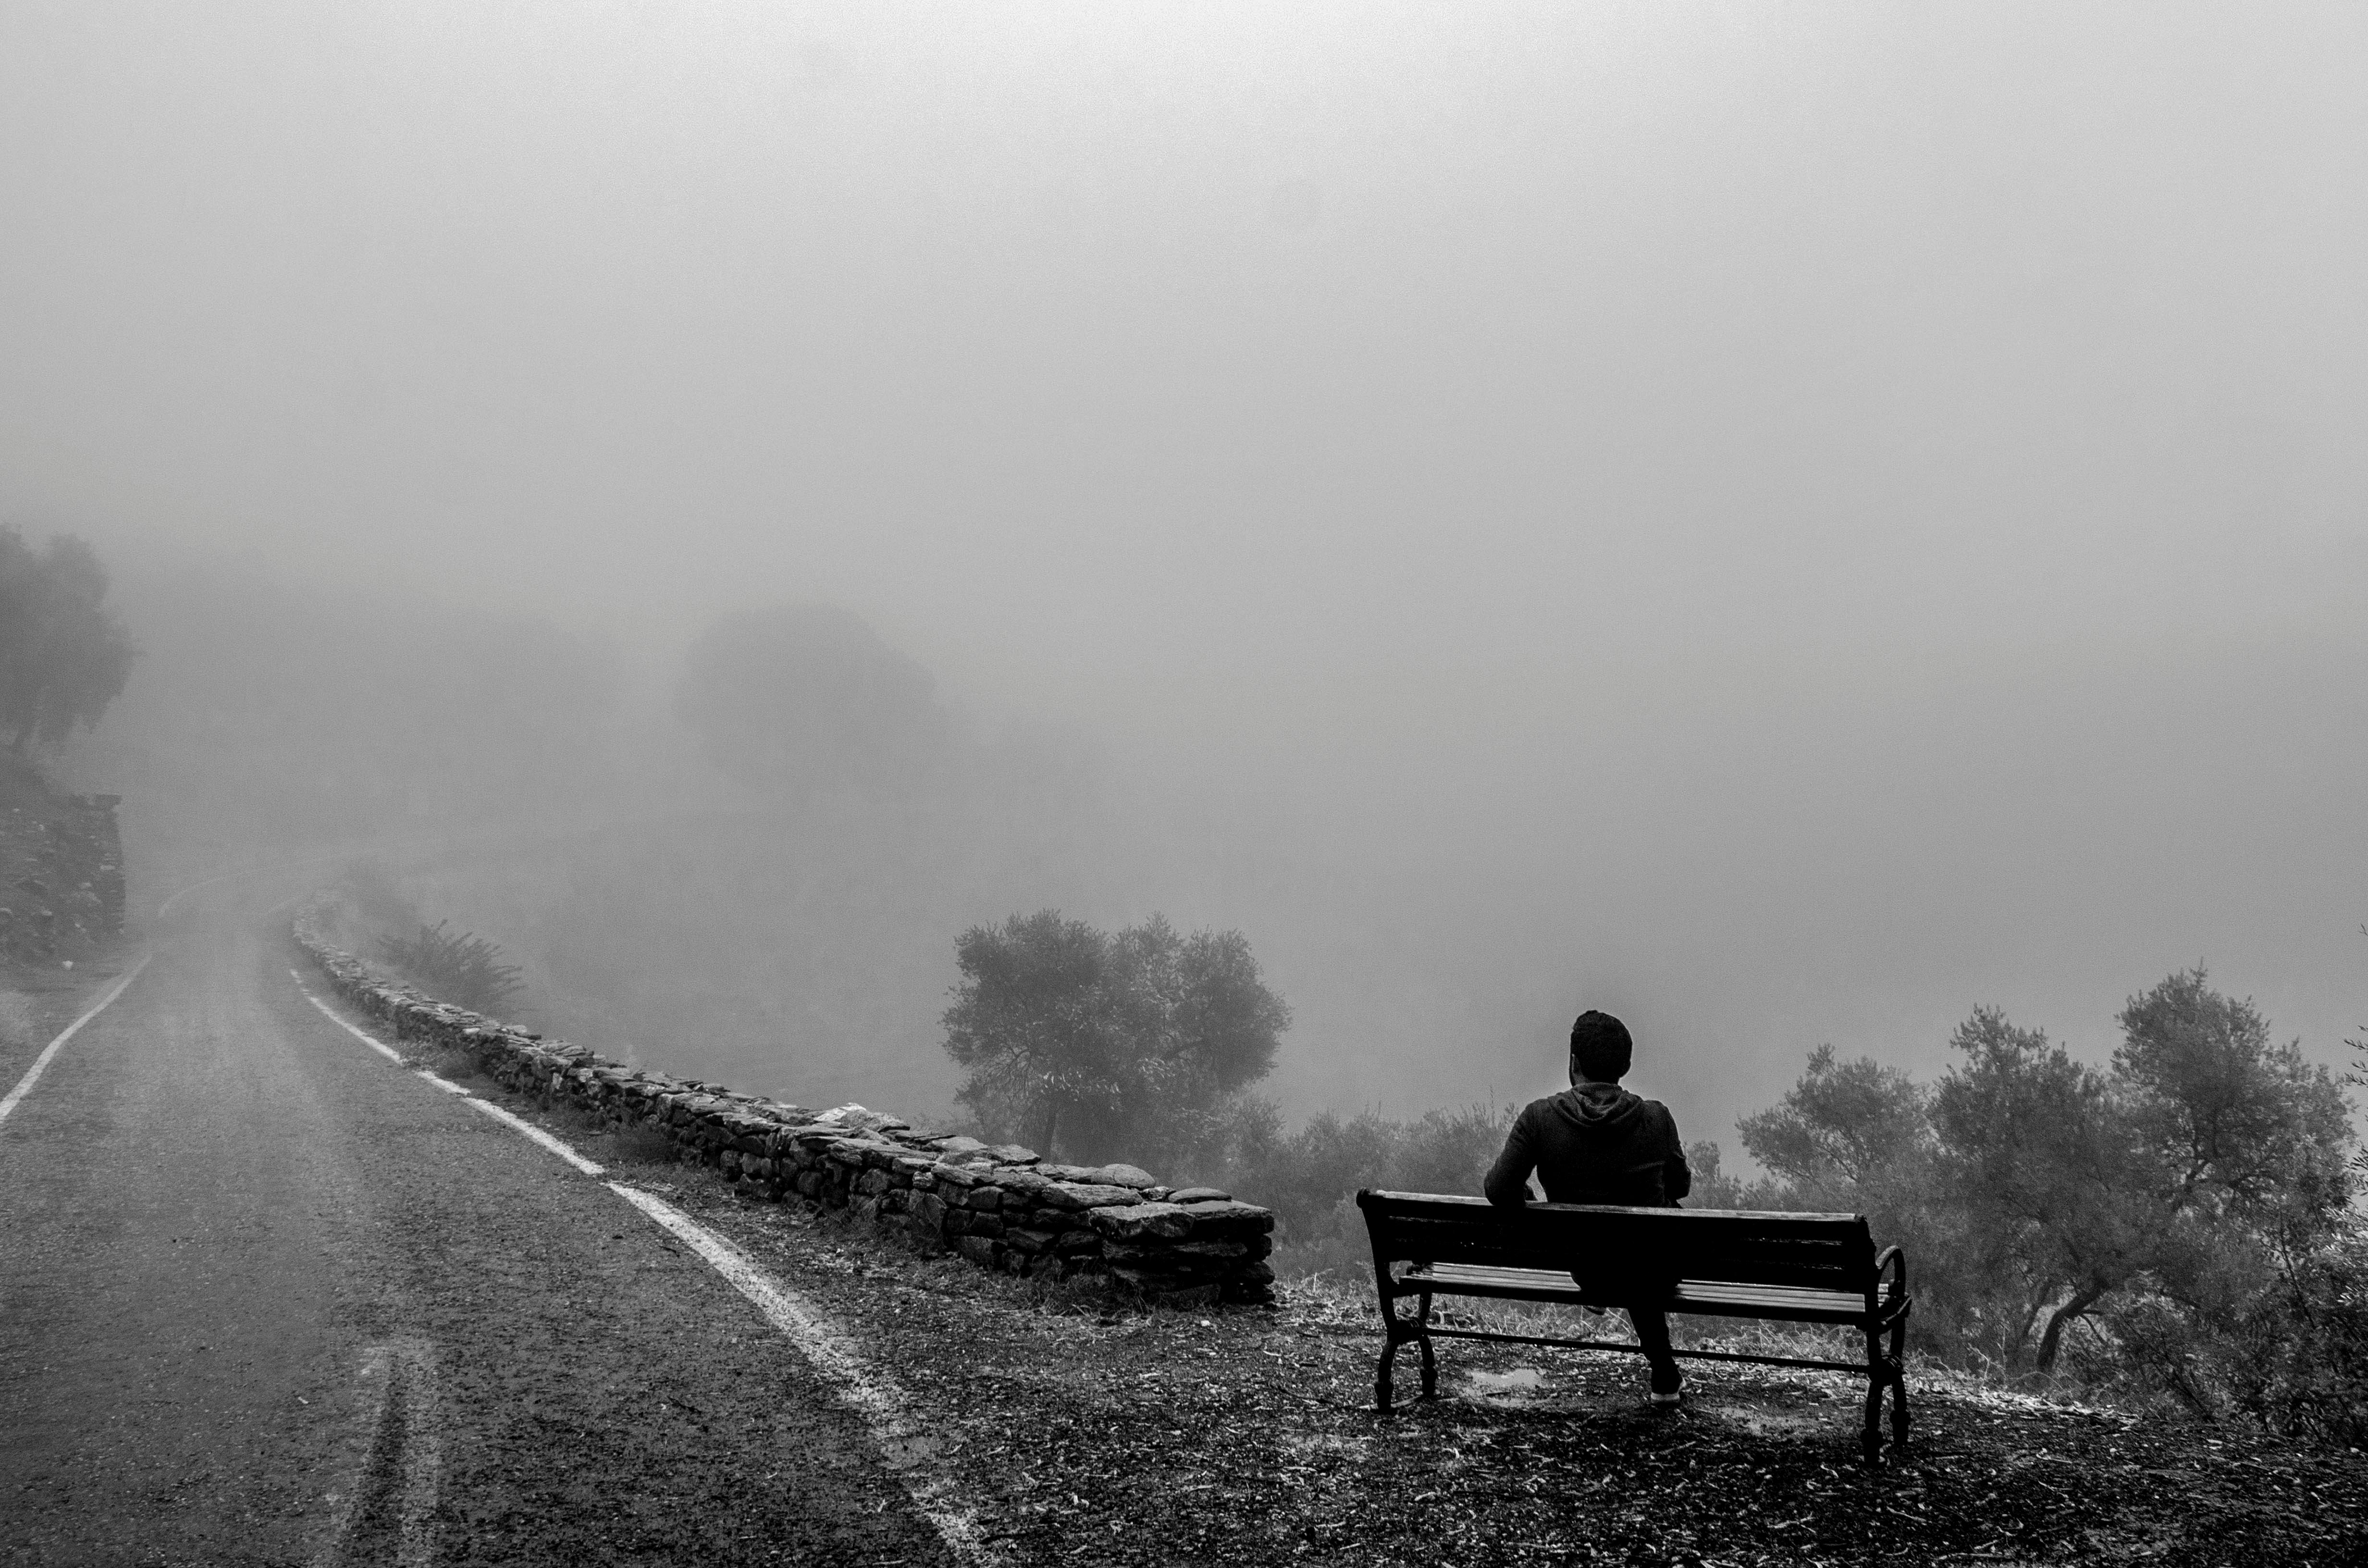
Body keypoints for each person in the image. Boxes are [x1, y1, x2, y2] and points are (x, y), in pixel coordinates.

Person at [1483, 1009, 1690, 1408]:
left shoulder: (1540, 1118)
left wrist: (1527, 1198)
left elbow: (1498, 1188)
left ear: (1574, 1063)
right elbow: (1680, 1186)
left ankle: (1662, 1368)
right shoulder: (1657, 1118)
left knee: (1617, 1247)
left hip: (1584, 1263)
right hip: (1648, 1264)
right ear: (1624, 1066)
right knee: (1641, 1246)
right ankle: (1664, 1374)